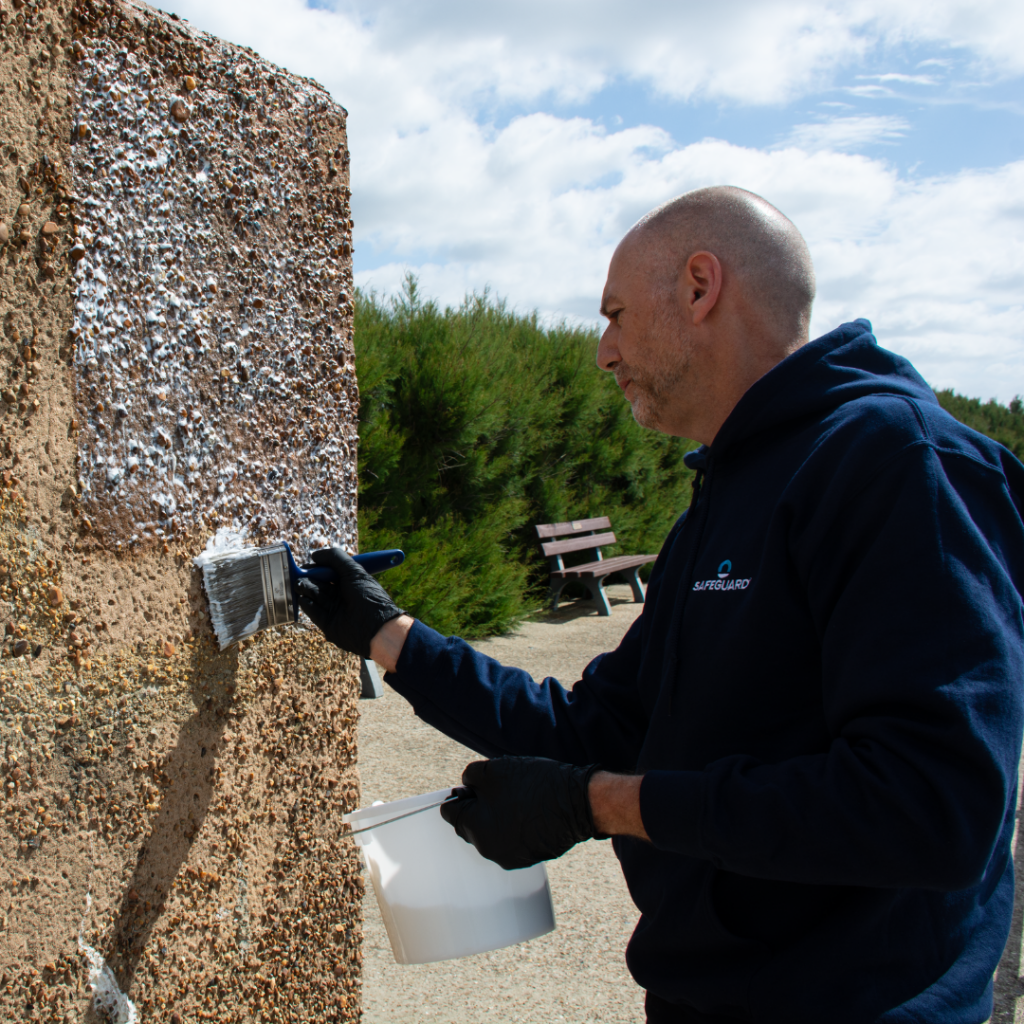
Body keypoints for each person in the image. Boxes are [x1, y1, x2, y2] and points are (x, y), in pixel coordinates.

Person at [298, 186, 1024, 1024]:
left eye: (613, 315)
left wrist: (597, 804)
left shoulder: (898, 464)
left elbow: (932, 807)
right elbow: (595, 730)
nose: (603, 354)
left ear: (699, 286)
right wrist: (387, 634)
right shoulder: (726, 493)